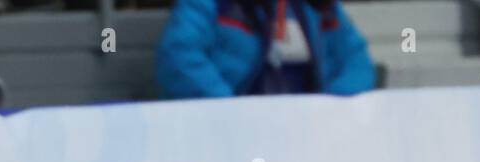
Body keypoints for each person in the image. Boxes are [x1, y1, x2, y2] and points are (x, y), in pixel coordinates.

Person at [154, 0, 374, 100]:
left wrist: (332, 106)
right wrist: (229, 109)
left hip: (306, 129)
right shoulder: (209, 3)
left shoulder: (318, 5)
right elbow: (178, 56)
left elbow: (356, 59)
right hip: (231, 132)